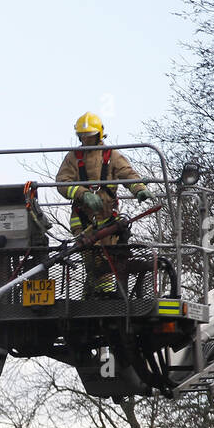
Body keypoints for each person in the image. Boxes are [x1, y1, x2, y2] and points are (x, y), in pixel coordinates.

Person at [55, 112, 155, 295]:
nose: (85, 140)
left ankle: (95, 298)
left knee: (109, 263)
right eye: (82, 137)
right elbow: (62, 182)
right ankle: (105, 300)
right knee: (96, 264)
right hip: (82, 221)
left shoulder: (111, 155)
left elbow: (127, 174)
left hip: (109, 220)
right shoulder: (73, 157)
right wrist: (82, 194)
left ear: (99, 135)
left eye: (89, 136)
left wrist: (139, 188)